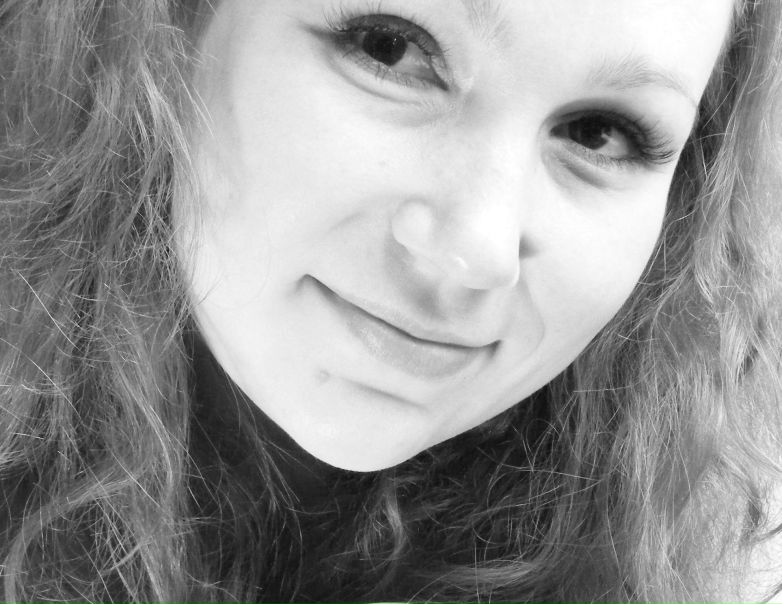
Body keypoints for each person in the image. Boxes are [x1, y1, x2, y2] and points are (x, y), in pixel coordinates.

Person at [0, 0, 781, 602]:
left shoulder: (702, 560)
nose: (477, 251)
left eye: (600, 133)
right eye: (389, 47)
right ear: (162, 29)